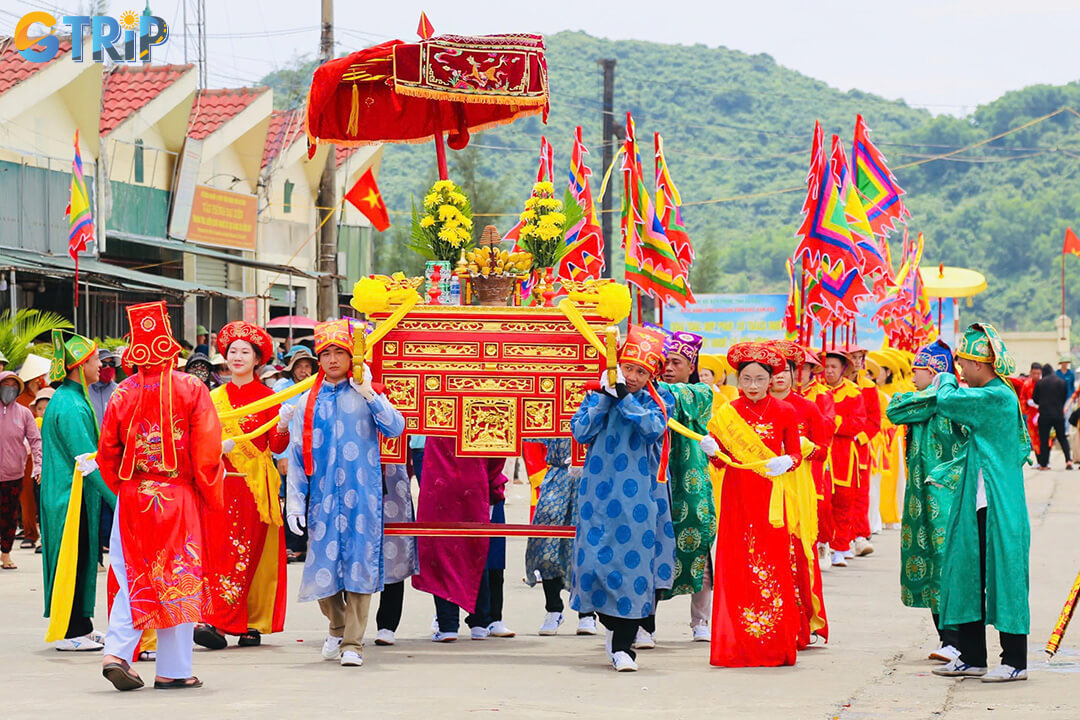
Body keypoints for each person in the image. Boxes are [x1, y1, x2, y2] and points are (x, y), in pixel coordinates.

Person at [95, 300, 224, 691]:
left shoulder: (122, 393)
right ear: (169, 340)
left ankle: (117, 652)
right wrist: (209, 494)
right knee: (180, 576)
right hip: (177, 496)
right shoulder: (191, 388)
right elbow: (206, 451)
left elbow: (107, 453)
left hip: (133, 496)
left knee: (134, 574)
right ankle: (173, 669)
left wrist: (128, 488)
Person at [286, 318, 405, 667]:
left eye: (341, 351)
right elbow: (295, 454)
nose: (334, 359)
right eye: (327, 353)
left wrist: (370, 392)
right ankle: (337, 625)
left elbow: (395, 427)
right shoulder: (307, 401)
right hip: (322, 499)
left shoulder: (367, 393)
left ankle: (353, 642)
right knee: (322, 567)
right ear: (318, 359)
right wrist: (294, 501)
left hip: (361, 497)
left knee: (359, 566)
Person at [569, 325, 676, 672]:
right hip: (597, 497)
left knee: (632, 568)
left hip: (640, 500)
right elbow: (580, 431)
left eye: (640, 371)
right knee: (594, 564)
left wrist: (625, 399)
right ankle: (612, 629)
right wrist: (604, 397)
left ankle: (623, 648)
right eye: (627, 367)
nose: (631, 376)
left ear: (652, 374)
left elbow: (653, 428)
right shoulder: (596, 395)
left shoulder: (659, 401)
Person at [932, 323, 1031, 683]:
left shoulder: (996, 396)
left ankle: (1015, 661)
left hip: (997, 504)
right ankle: (972, 656)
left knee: (1004, 577)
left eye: (962, 364)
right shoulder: (990, 393)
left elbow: (947, 401)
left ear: (979, 365)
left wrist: (941, 378)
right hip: (978, 500)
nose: (960, 370)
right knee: (968, 575)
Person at [699, 342, 802, 667]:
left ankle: (772, 646)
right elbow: (721, 464)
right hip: (737, 497)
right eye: (747, 379)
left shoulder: (786, 412)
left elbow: (797, 454)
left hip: (771, 499)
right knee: (737, 564)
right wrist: (712, 451)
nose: (753, 386)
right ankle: (737, 645)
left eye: (760, 379)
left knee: (772, 566)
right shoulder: (727, 414)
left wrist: (787, 461)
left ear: (771, 379)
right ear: (738, 380)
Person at [195, 321, 291, 650]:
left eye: (245, 352)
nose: (237, 357)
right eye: (232, 351)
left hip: (253, 490)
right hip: (220, 486)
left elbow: (276, 447)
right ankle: (219, 622)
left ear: (257, 359)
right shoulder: (212, 397)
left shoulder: (269, 398)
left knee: (248, 554)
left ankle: (249, 622)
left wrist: (283, 424)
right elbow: (200, 442)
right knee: (219, 553)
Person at [886, 340, 967, 665]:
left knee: (951, 566)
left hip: (949, 499)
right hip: (921, 502)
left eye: (917, 371)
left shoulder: (957, 404)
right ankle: (946, 639)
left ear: (934, 372)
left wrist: (941, 393)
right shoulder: (921, 403)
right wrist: (937, 394)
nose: (912, 377)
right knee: (931, 564)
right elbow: (895, 410)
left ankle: (957, 640)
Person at [39, 331, 115, 651]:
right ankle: (69, 632)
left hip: (75, 495)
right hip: (69, 497)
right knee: (73, 557)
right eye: (96, 359)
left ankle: (82, 626)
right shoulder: (70, 404)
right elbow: (86, 459)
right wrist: (117, 500)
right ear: (79, 365)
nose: (101, 365)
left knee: (83, 557)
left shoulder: (72, 397)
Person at [413, 441, 507, 642]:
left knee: (441, 549)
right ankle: (480, 622)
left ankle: (448, 625)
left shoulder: (434, 411)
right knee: (475, 549)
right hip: (474, 478)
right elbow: (499, 451)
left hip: (439, 481)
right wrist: (494, 487)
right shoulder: (482, 410)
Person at [768, 341, 829, 647]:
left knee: (798, 554)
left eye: (787, 369)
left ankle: (805, 622)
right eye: (774, 369)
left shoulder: (807, 407)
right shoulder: (750, 407)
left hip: (798, 489)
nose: (780, 375)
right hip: (764, 488)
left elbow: (823, 450)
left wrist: (807, 448)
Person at [657, 330, 716, 643]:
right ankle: (644, 623)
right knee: (653, 549)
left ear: (691, 365)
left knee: (699, 551)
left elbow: (676, 397)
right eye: (664, 361)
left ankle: (700, 622)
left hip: (691, 480)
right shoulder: (651, 390)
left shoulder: (701, 392)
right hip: (658, 476)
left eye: (676, 362)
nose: (668, 366)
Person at [526, 439, 597, 636]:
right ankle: (553, 608)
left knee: (587, 545)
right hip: (557, 476)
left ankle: (587, 612)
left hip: (593, 475)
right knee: (546, 542)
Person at [822, 349, 869, 567]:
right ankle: (824, 544)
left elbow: (858, 423)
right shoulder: (816, 392)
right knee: (823, 504)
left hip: (842, 454)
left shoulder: (853, 393)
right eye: (826, 366)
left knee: (842, 502)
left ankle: (840, 547)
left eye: (834, 366)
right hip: (821, 453)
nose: (829, 370)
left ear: (843, 369)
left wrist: (833, 421)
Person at [272, 345, 318, 562]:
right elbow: (279, 425)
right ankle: (293, 544)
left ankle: (307, 542)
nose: (304, 371)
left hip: (312, 453)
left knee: (311, 498)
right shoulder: (283, 388)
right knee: (291, 497)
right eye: (299, 366)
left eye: (307, 366)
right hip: (289, 452)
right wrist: (282, 456)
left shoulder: (316, 388)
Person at [796, 349, 836, 570]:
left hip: (814, 456)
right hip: (788, 456)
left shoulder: (822, 395)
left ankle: (822, 542)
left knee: (821, 504)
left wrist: (808, 417)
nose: (798, 374)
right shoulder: (780, 393)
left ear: (811, 370)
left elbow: (829, 425)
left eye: (804, 368)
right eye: (795, 368)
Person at [373, 463, 419, 646]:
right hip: (354, 466)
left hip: (392, 469)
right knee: (354, 548)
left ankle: (387, 624)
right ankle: (349, 623)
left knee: (394, 547)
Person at [0, 371, 41, 570]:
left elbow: (35, 440)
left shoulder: (24, 413)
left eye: (13, 385)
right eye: (5, 384)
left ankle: (6, 554)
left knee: (9, 517)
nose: (9, 388)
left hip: (13, 474)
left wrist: (38, 465)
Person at [846, 345, 880, 555]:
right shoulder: (830, 387)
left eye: (860, 358)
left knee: (860, 493)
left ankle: (859, 536)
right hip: (835, 448)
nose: (857, 362)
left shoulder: (868, 387)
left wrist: (858, 437)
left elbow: (874, 421)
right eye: (853, 358)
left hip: (858, 449)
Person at [16, 354, 49, 550]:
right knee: (26, 495)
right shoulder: (21, 399)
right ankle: (29, 532)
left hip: (44, 453)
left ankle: (43, 535)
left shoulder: (47, 394)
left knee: (42, 497)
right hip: (24, 453)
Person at [1034, 362, 1072, 470]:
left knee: (1044, 439)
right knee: (1062, 438)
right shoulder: (1062, 382)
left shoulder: (1040, 383)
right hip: (1058, 414)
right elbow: (1064, 397)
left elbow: (1035, 399)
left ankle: (1044, 464)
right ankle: (1068, 460)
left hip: (1044, 415)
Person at [1018, 363, 1041, 459]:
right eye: (1034, 373)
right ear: (1030, 373)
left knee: (1044, 438)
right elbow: (1022, 399)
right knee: (1034, 438)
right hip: (1031, 415)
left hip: (1043, 414)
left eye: (1038, 373)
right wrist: (1028, 403)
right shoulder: (1026, 385)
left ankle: (1044, 459)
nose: (1036, 376)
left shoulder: (1043, 383)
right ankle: (1039, 459)